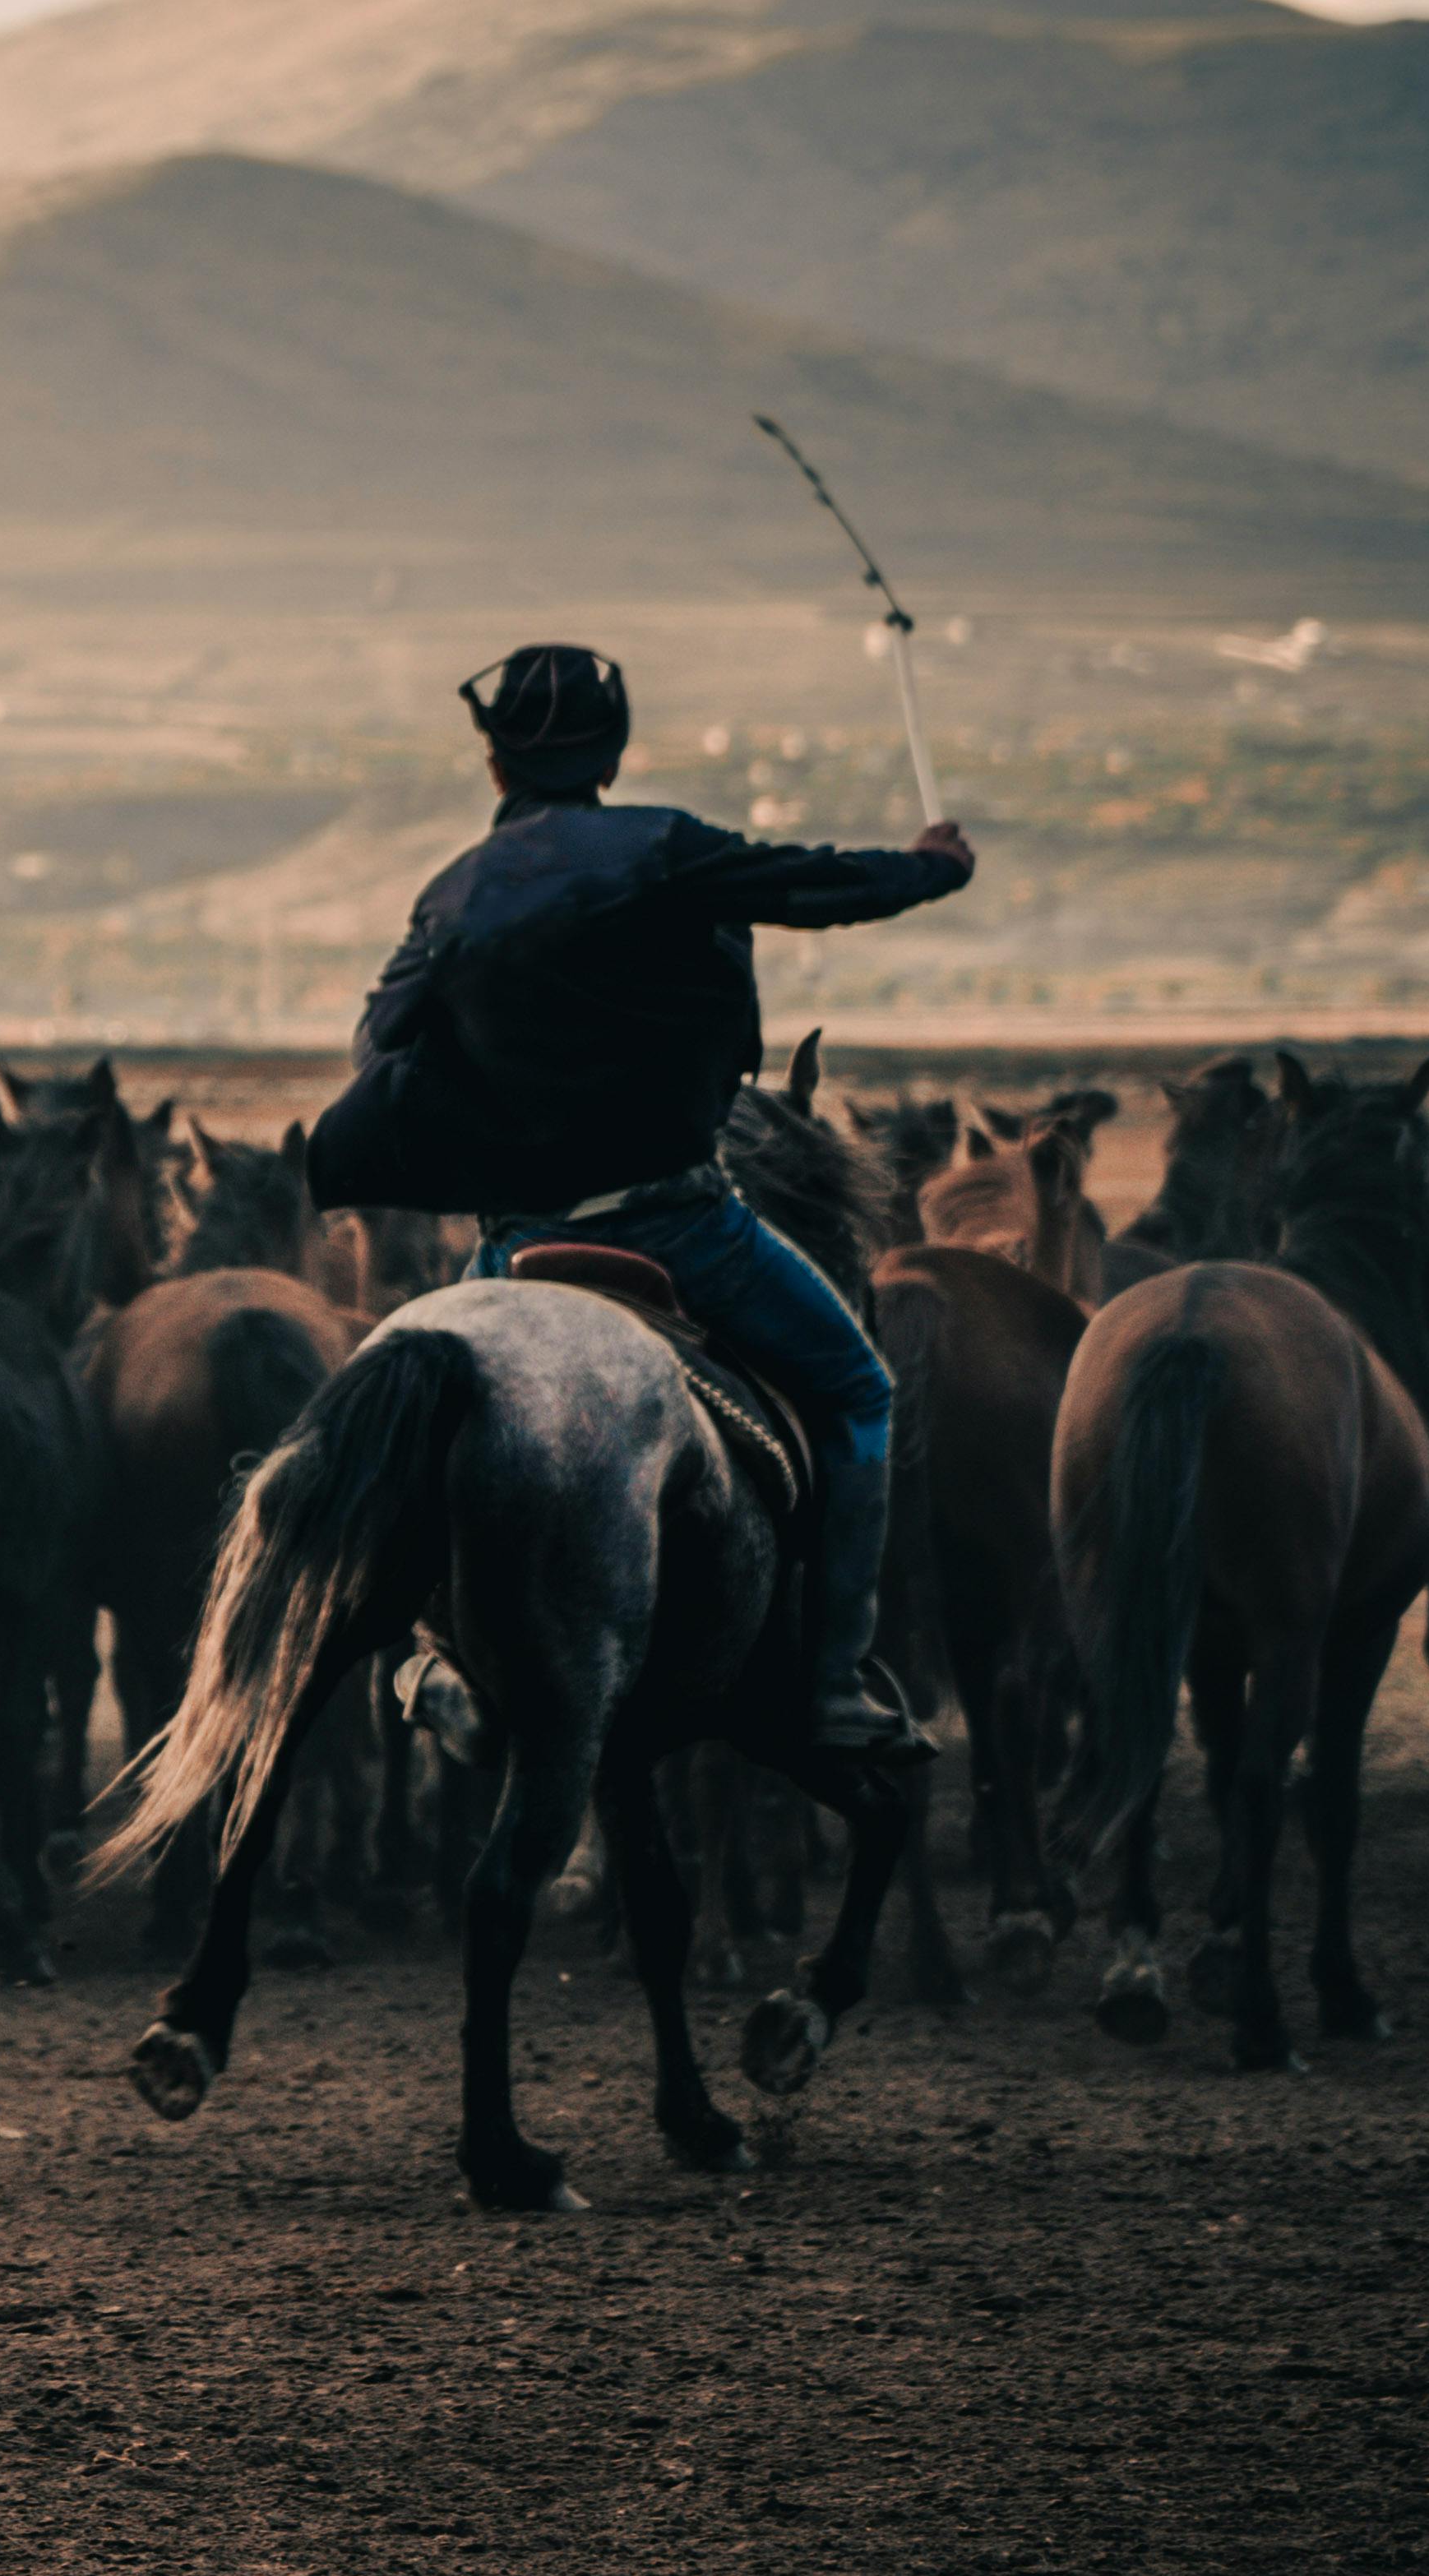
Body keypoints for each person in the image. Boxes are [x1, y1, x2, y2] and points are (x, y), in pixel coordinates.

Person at [304, 642, 976, 1783]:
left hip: (514, 1251)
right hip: (682, 1229)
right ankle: (830, 1682)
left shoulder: (451, 894)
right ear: (611, 754)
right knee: (862, 1389)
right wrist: (930, 867)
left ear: (495, 757)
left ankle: (427, 1659)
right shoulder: (665, 848)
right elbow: (818, 884)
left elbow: (381, 1047)